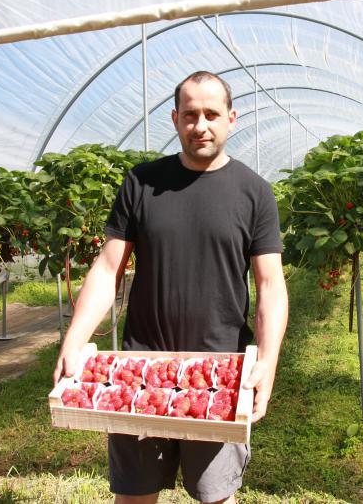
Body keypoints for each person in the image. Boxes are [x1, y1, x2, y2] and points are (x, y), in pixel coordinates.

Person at [53, 71, 288, 504]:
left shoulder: (254, 192)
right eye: (191, 114)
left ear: (231, 119)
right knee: (135, 494)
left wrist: (268, 362)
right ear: (175, 119)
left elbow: (270, 284)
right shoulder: (141, 183)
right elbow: (109, 268)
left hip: (220, 371)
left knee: (215, 495)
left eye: (212, 114)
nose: (202, 125)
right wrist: (75, 338)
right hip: (142, 370)